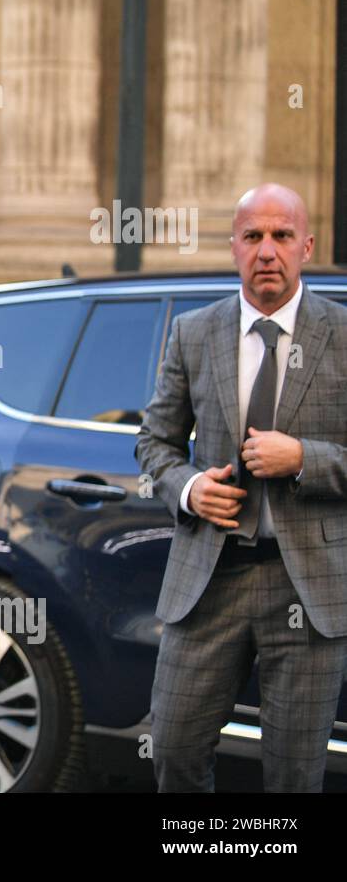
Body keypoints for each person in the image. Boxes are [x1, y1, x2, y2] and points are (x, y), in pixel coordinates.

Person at [136, 182, 347, 792]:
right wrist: (188, 487)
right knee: (172, 747)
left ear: (307, 245)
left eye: (282, 236)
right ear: (234, 247)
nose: (267, 251)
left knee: (294, 776)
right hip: (211, 576)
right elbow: (153, 444)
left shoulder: (341, 333)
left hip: (307, 584)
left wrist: (305, 457)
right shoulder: (194, 333)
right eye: (253, 236)